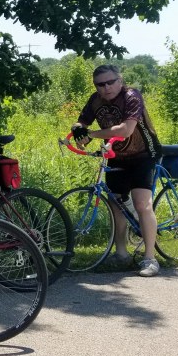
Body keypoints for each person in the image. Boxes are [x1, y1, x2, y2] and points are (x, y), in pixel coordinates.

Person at [72, 64, 162, 277]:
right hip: (116, 156)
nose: (106, 88)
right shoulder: (95, 100)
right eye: (100, 84)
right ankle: (120, 253)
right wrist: (77, 129)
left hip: (143, 155)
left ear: (120, 80)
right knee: (116, 204)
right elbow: (81, 121)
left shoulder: (131, 96)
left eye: (110, 82)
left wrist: (91, 134)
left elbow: (126, 130)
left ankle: (150, 258)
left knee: (142, 204)